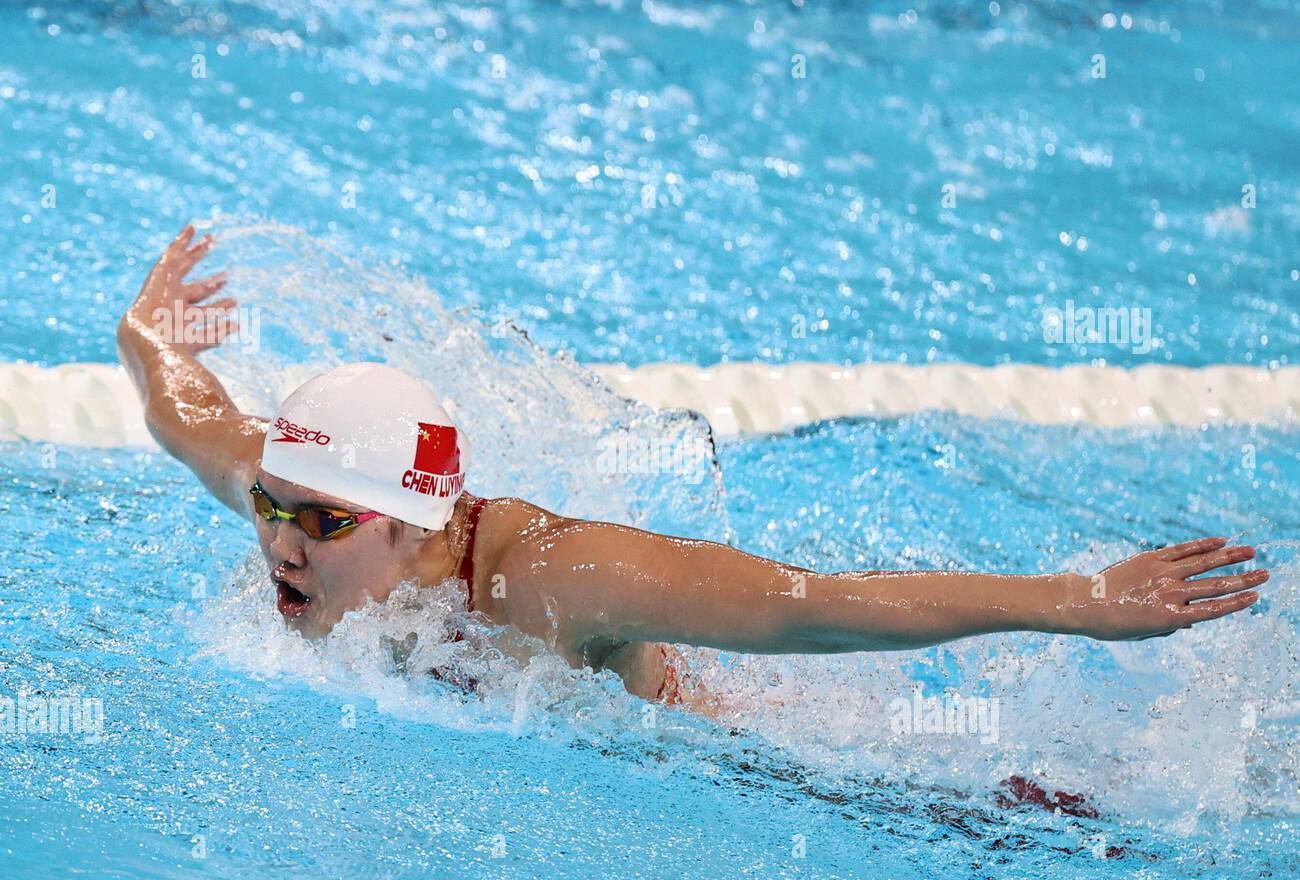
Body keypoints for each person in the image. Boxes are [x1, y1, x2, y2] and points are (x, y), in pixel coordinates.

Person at [118, 226, 1269, 717]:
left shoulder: (549, 580)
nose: (276, 540)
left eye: (316, 521)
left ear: (415, 529)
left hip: (749, 752)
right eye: (273, 506)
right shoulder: (303, 513)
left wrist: (1076, 602)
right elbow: (193, 419)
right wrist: (149, 336)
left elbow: (802, 606)